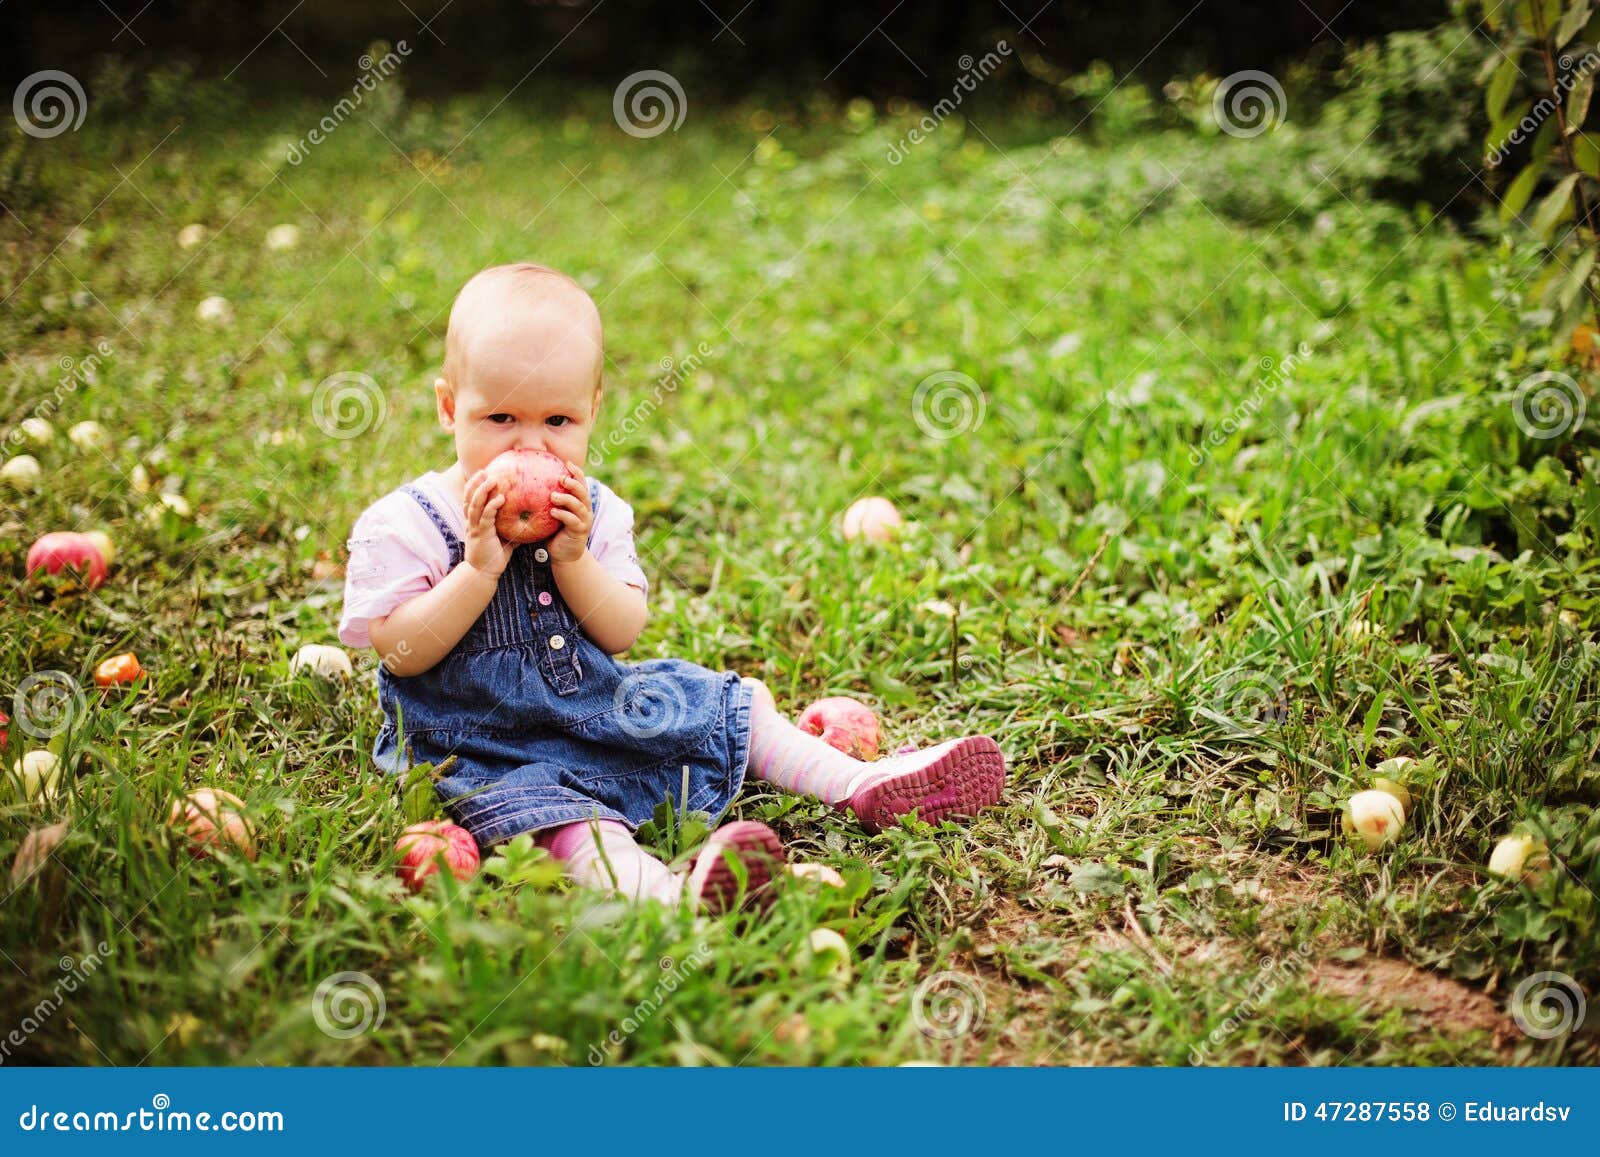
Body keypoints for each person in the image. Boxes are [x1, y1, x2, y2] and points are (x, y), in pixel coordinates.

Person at [338, 262, 1006, 911]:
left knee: (724, 704)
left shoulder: (592, 511)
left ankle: (862, 783)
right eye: (501, 419)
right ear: (449, 405)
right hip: (481, 748)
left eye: (558, 422)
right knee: (568, 821)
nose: (532, 446)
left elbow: (621, 630)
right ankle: (674, 897)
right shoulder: (407, 524)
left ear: (593, 411)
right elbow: (401, 652)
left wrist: (573, 558)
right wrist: (478, 568)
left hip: (592, 707)